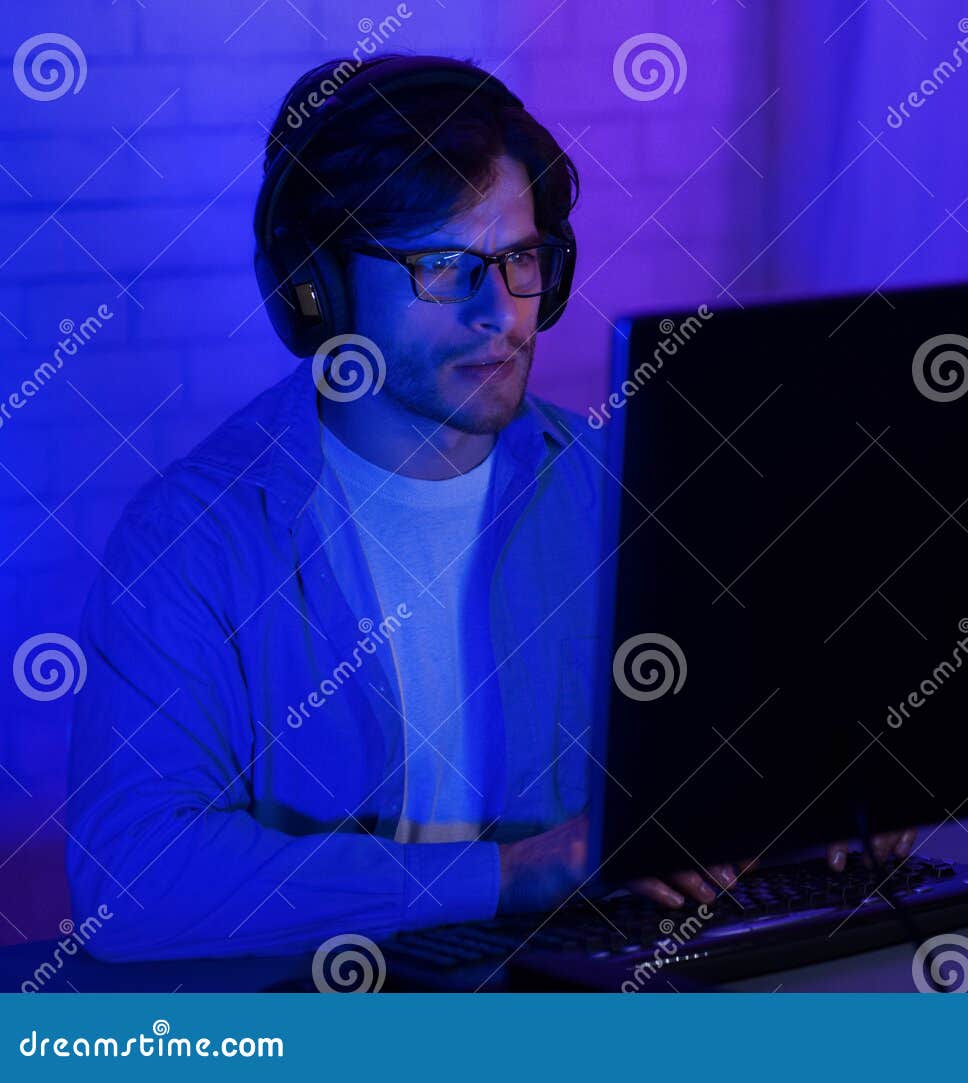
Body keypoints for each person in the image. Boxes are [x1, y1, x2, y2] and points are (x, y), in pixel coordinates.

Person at [65, 54, 911, 962]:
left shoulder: (623, 492)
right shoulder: (192, 538)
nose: (501, 315)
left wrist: (818, 797)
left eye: (518, 260)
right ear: (317, 290)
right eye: (441, 266)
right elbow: (136, 880)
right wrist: (509, 873)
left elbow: (745, 740)